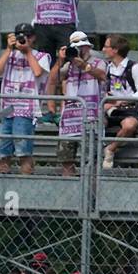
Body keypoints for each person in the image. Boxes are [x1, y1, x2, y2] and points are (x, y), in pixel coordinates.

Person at [0, 24, 52, 175]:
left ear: (32, 38)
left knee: (23, 151)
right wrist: (8, 49)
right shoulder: (10, 55)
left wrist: (27, 52)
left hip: (27, 109)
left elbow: (38, 72)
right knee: (2, 151)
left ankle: (25, 181)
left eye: (26, 35)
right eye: (19, 35)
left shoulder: (41, 56)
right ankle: (2, 178)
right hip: (7, 109)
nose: (22, 38)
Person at [47, 30, 107, 177]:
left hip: (90, 119)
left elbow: (102, 76)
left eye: (81, 47)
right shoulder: (69, 65)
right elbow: (53, 80)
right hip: (69, 120)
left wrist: (84, 65)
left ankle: (91, 195)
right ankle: (70, 191)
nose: (79, 50)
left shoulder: (99, 62)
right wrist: (60, 61)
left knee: (91, 160)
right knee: (66, 160)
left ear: (87, 47)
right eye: (76, 47)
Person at [100, 34, 138, 170]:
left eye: (106, 46)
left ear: (115, 50)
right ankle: (93, 153)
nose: (103, 49)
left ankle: (110, 149)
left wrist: (123, 100)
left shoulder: (134, 67)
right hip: (110, 107)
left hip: (130, 108)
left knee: (129, 125)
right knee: (94, 120)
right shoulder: (107, 68)